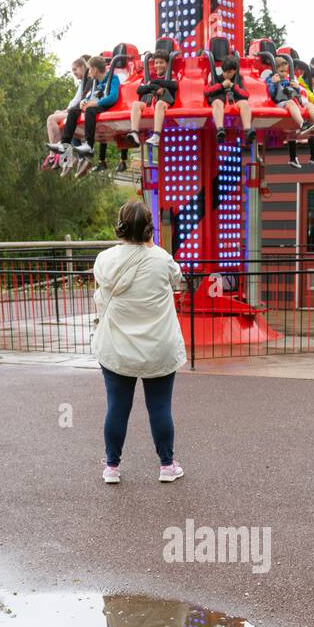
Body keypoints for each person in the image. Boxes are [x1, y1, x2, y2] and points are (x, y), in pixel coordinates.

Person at [93, 198, 187, 483]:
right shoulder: (161, 258)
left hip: (117, 348)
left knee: (117, 407)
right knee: (159, 407)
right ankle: (167, 466)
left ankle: (112, 467)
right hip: (158, 347)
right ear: (149, 229)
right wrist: (149, 246)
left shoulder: (105, 259)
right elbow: (178, 280)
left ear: (120, 227)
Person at [71, 55, 121, 178]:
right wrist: (85, 101)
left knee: (90, 111)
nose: (88, 73)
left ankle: (89, 147)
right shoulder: (96, 82)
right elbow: (90, 96)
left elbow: (112, 96)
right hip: (97, 107)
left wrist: (95, 103)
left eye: (89, 70)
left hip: (110, 107)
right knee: (73, 114)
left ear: (94, 69)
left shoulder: (113, 78)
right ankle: (74, 152)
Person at [265, 56, 314, 141]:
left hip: (292, 102)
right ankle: (302, 124)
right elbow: (270, 93)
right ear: (274, 70)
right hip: (279, 102)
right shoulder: (270, 79)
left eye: (285, 72)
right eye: (281, 71)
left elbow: (296, 94)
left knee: (309, 105)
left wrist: (296, 88)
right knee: (290, 103)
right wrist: (273, 82)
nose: (284, 74)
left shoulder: (287, 80)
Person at [127, 53, 178, 149]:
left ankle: (157, 135)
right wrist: (155, 87)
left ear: (167, 64)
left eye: (161, 63)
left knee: (159, 104)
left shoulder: (171, 75)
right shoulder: (150, 76)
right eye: (156, 63)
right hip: (150, 102)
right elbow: (140, 90)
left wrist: (154, 83)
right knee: (135, 104)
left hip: (164, 102)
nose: (158, 65)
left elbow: (174, 85)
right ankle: (134, 132)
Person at [205, 53, 256, 147]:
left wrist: (233, 87)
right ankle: (220, 129)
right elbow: (207, 92)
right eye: (224, 72)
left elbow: (246, 95)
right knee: (217, 103)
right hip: (220, 99)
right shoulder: (216, 78)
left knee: (245, 103)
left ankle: (247, 130)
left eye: (229, 72)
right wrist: (221, 86)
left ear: (234, 71)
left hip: (235, 100)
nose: (226, 74)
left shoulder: (238, 79)